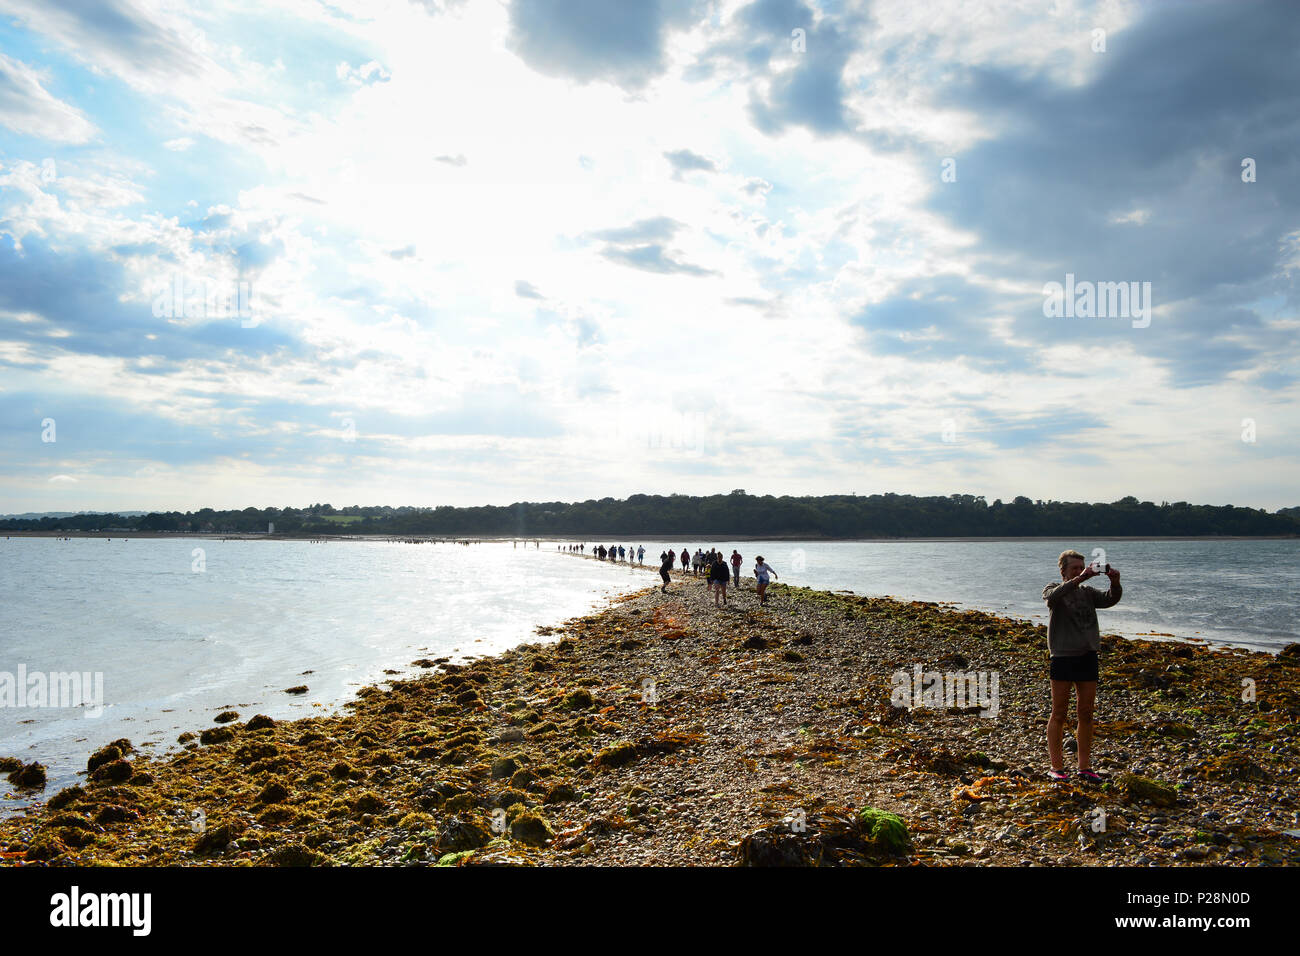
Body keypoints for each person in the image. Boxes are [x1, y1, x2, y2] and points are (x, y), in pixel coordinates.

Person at [1043, 550, 1122, 783]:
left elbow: (1110, 600)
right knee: (1059, 713)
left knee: (1086, 713)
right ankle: (1056, 767)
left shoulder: (1087, 593)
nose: (1080, 571)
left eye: (1082, 567)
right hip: (1062, 656)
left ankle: (1084, 767)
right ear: (1063, 571)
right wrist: (1080, 579)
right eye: (1074, 568)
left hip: (1087, 656)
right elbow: (1052, 598)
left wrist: (1115, 582)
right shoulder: (1053, 588)